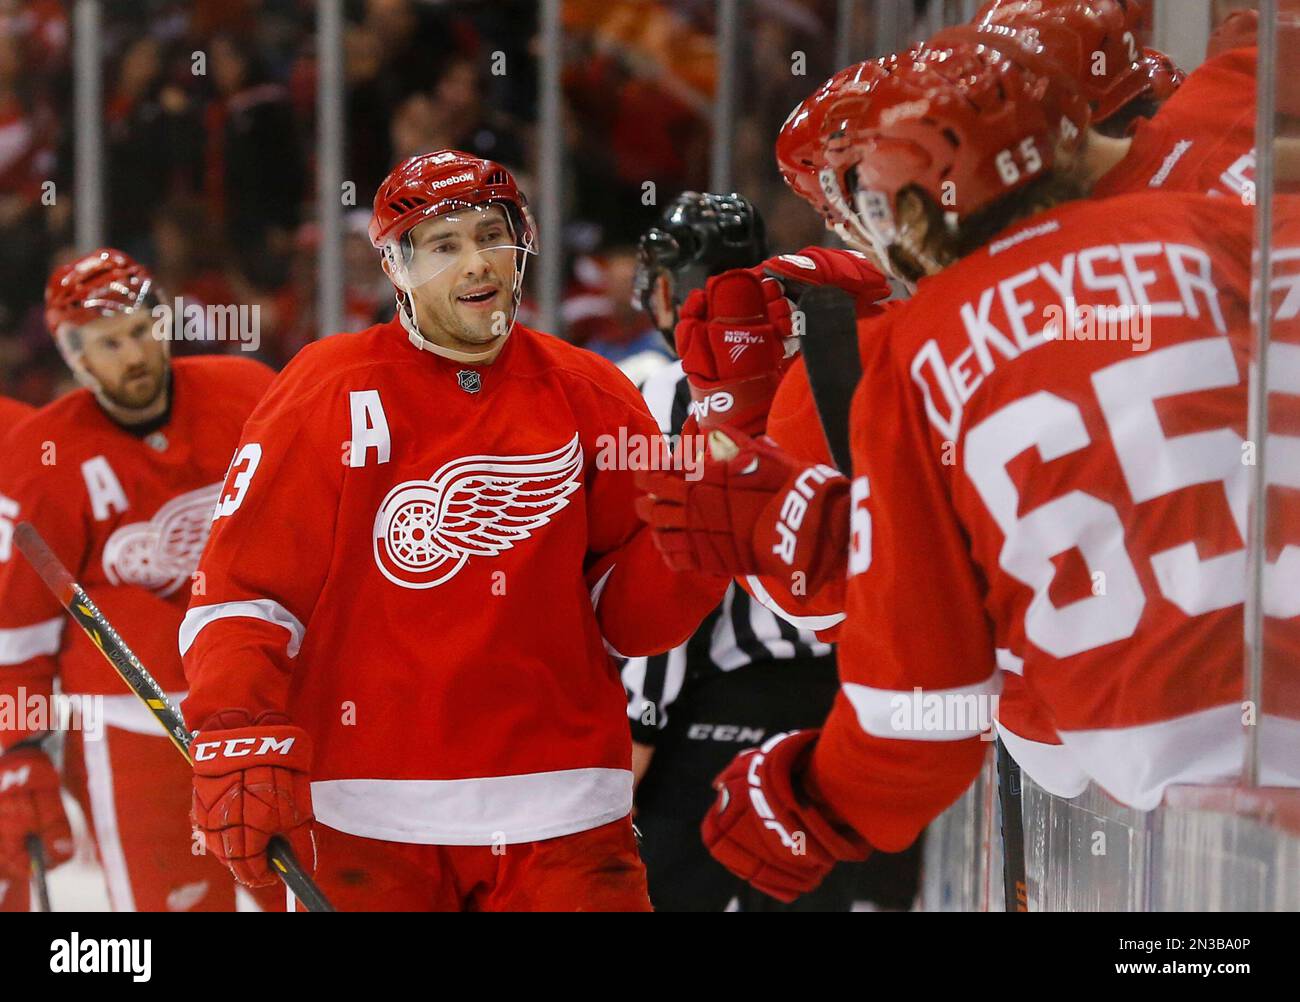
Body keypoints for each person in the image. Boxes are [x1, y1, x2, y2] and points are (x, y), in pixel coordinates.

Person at [640, 40, 1270, 902]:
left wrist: (821, 799)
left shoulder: (918, 348)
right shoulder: (1226, 220)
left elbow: (929, 703)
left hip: (1142, 767)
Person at [180, 150, 728, 912]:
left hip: (562, 815)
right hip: (366, 818)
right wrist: (238, 734)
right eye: (444, 245)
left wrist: (704, 538)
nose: (478, 263)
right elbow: (244, 596)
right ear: (397, 268)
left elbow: (634, 622)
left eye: (490, 235)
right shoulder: (326, 389)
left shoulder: (591, 392)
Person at [626, 191, 920, 910]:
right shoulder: (836, 364)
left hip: (709, 716)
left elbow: (674, 589)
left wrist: (634, 743)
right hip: (857, 704)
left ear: (671, 289)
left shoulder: (657, 392)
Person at [0, 249, 276, 912]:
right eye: (108, 344)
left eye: (140, 330)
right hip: (131, 731)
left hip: (266, 707)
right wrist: (21, 750)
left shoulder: (249, 392)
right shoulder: (44, 458)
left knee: (311, 891)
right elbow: (18, 638)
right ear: (76, 358)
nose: (133, 356)